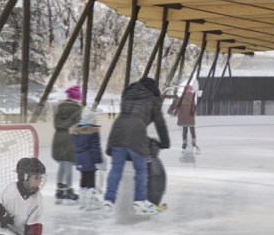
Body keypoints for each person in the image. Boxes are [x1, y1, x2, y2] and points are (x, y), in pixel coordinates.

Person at [103, 77, 170, 215]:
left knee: (115, 170)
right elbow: (160, 124)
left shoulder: (127, 95)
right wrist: (165, 143)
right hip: (136, 133)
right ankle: (140, 201)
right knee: (141, 170)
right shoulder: (152, 100)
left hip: (118, 129)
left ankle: (108, 201)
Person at [70, 106, 105, 210]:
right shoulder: (93, 131)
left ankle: (82, 202)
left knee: (83, 179)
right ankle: (90, 202)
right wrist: (98, 160)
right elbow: (95, 148)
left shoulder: (76, 132)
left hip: (80, 159)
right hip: (90, 159)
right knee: (91, 179)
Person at [52, 85, 82, 204]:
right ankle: (69, 190)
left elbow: (55, 123)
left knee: (62, 163)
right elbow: (78, 126)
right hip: (70, 137)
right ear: (77, 98)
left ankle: (59, 190)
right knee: (68, 163)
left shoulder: (58, 108)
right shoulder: (78, 110)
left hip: (58, 137)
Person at [169, 84, 199, 152]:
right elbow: (194, 108)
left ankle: (185, 142)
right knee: (192, 130)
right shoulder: (193, 98)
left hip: (183, 119)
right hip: (191, 118)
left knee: (185, 130)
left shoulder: (181, 98)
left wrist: (170, 110)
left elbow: (175, 104)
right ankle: (193, 140)